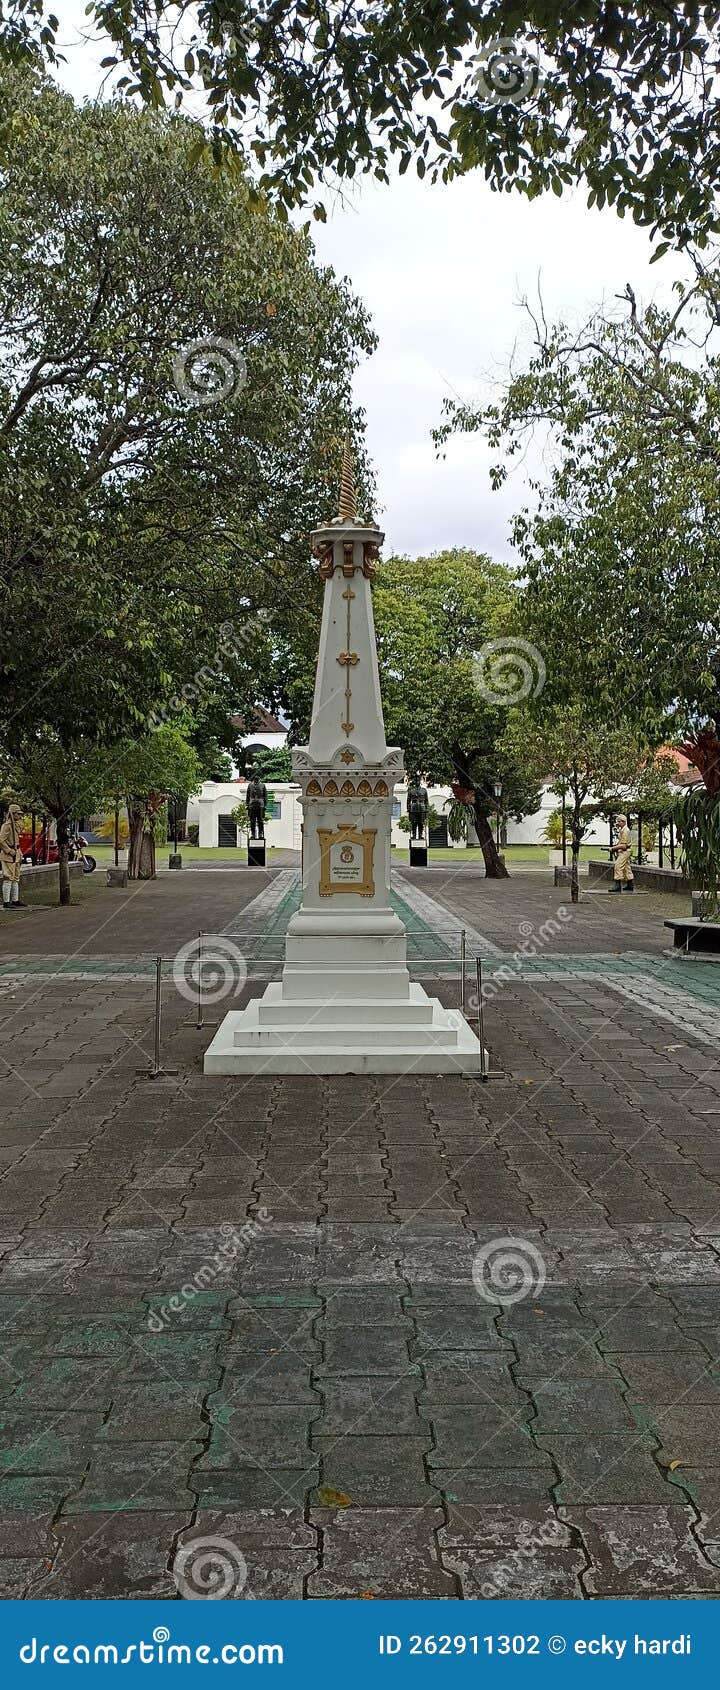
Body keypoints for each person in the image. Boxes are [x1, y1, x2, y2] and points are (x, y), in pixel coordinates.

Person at [0, 804, 26, 910]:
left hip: (16, 853)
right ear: (12, 814)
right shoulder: (7, 826)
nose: (19, 816)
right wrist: (9, 851)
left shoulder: (15, 825)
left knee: (16, 878)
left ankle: (15, 900)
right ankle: (6, 902)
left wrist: (19, 853)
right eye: (18, 814)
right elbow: (1, 840)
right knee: (8, 878)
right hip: (8, 855)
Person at [610, 813, 634, 892]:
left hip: (625, 851)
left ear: (623, 822)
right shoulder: (622, 830)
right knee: (627, 867)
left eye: (619, 821)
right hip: (624, 851)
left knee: (618, 865)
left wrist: (613, 848)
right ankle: (630, 885)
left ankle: (617, 885)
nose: (617, 823)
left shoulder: (625, 831)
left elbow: (623, 846)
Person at [246, 768, 268, 841]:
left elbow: (265, 796)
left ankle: (261, 833)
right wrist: (247, 805)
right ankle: (253, 834)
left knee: (260, 820)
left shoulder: (263, 785)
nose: (256, 777)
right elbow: (248, 796)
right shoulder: (250, 785)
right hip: (252, 805)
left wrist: (265, 805)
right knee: (252, 820)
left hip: (260, 805)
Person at [407, 774, 429, 841]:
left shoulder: (424, 790)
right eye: (416, 780)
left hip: (422, 808)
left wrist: (427, 808)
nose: (417, 781)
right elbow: (408, 800)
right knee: (413, 822)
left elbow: (426, 800)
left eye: (418, 780)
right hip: (413, 808)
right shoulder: (411, 790)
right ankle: (414, 835)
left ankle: (420, 835)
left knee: (421, 822)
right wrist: (408, 808)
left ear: (420, 782)